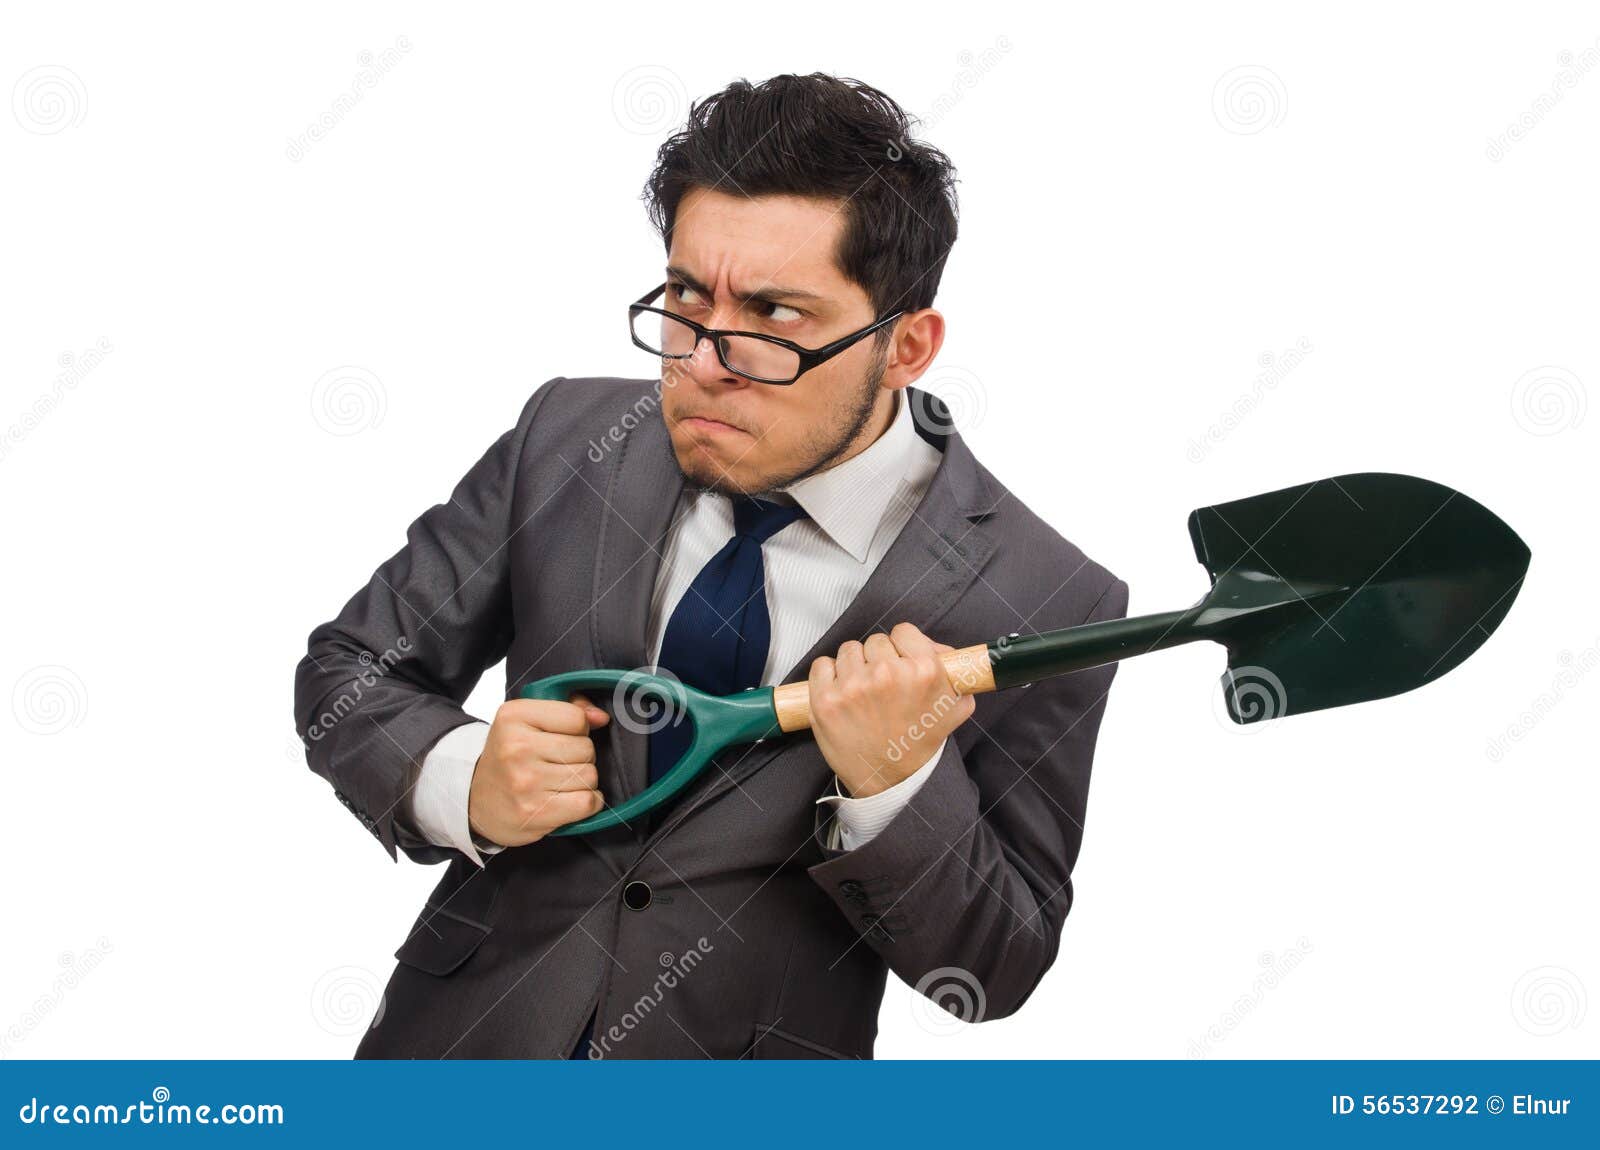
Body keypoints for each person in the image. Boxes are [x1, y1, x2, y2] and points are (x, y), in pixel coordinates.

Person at [293, 72, 1129, 1059]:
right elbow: (351, 665)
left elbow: (999, 965)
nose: (701, 364)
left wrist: (895, 786)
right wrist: (458, 777)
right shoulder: (567, 439)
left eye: (775, 317)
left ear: (906, 346)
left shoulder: (1045, 594)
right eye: (688, 297)